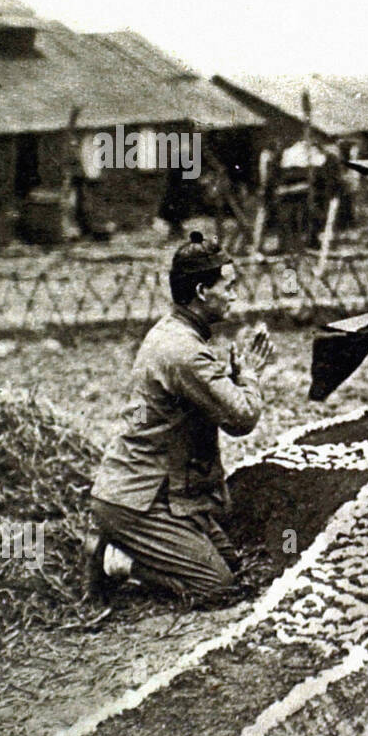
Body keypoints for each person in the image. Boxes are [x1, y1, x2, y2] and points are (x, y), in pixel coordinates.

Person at [84, 232, 275, 601]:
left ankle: (133, 549)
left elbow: (207, 401)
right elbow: (241, 419)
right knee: (218, 587)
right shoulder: (184, 351)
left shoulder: (174, 332)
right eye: (229, 286)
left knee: (231, 563)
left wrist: (235, 380)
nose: (235, 295)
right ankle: (117, 559)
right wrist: (249, 376)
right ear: (203, 291)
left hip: (146, 488)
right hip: (139, 500)